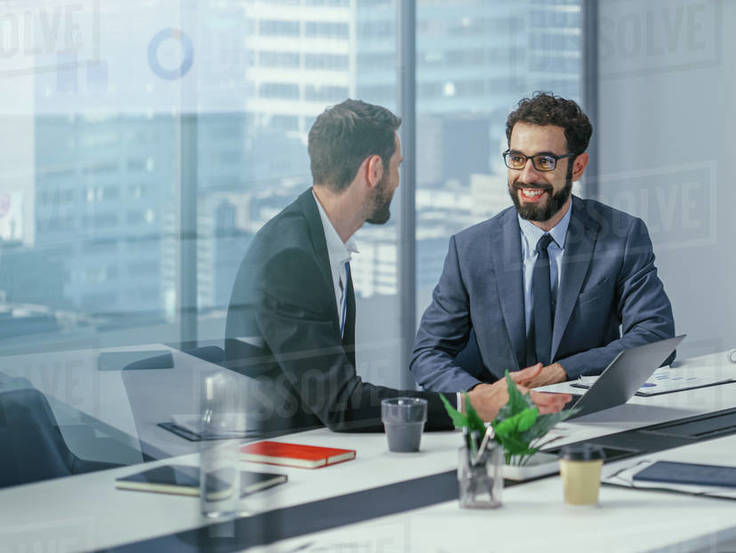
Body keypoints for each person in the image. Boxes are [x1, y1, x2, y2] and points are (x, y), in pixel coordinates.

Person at [225, 99, 569, 433]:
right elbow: (341, 402)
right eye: (397, 167)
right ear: (374, 170)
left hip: (316, 443)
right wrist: (474, 404)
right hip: (279, 457)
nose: (398, 181)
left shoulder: (318, 239)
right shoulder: (291, 258)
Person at [410, 92, 676, 393]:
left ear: (577, 167)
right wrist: (480, 396)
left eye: (544, 161)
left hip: (590, 414)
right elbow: (428, 355)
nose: (527, 175)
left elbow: (657, 337)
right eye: (517, 158)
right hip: (503, 424)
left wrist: (561, 372)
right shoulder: (469, 249)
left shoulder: (622, 236)